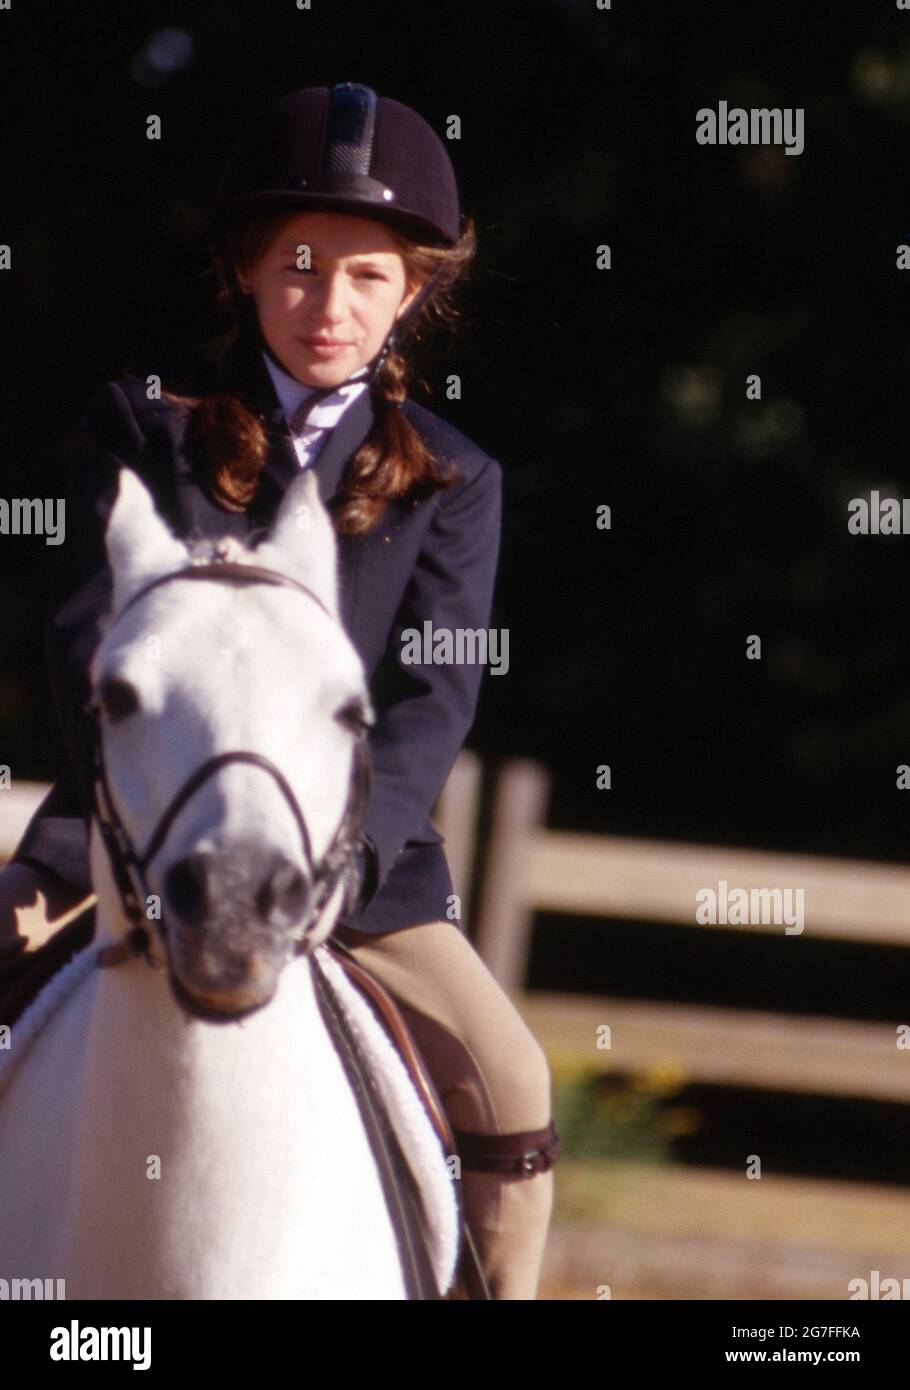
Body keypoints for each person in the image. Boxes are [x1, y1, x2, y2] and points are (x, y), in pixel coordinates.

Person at [0, 82, 560, 1299]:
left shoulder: (456, 481)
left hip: (361, 864)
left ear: (412, 294)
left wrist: (339, 864)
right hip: (133, 827)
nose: (330, 305)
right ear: (247, 270)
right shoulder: (145, 425)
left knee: (514, 1083)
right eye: (301, 267)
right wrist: (110, 832)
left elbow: (431, 700)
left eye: (368, 277)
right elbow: (91, 642)